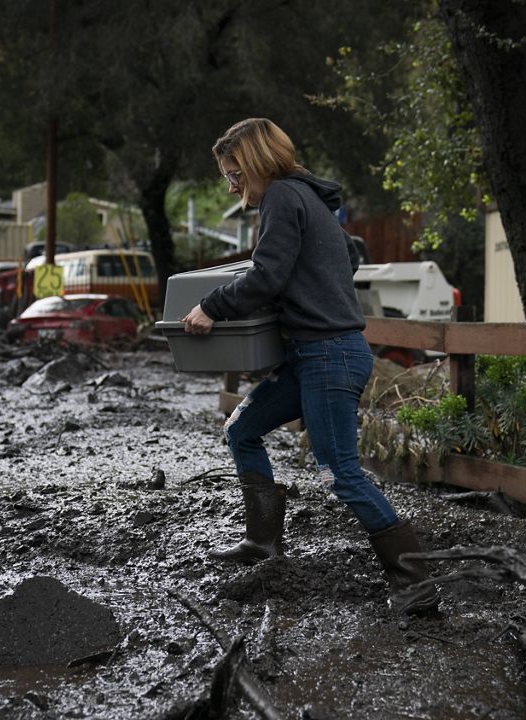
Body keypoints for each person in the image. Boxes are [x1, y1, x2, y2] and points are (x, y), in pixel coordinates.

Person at [181, 118, 438, 615]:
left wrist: (212, 306)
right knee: (242, 428)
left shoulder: (282, 196)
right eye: (226, 177)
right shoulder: (311, 199)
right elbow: (346, 257)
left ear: (257, 164)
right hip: (310, 355)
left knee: (341, 473)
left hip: (330, 355)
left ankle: (416, 585)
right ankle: (262, 542)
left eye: (235, 174)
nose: (233, 186)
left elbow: (268, 274)